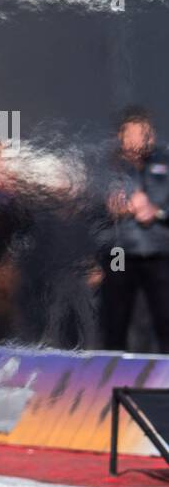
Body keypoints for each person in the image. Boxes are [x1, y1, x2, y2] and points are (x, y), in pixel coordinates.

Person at [99, 105, 169, 352]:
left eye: (144, 133)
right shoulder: (108, 165)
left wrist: (156, 211)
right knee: (116, 313)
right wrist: (116, 206)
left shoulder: (164, 162)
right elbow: (92, 203)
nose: (140, 139)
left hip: (157, 252)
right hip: (119, 252)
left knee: (164, 313)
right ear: (122, 136)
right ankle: (110, 370)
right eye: (134, 133)